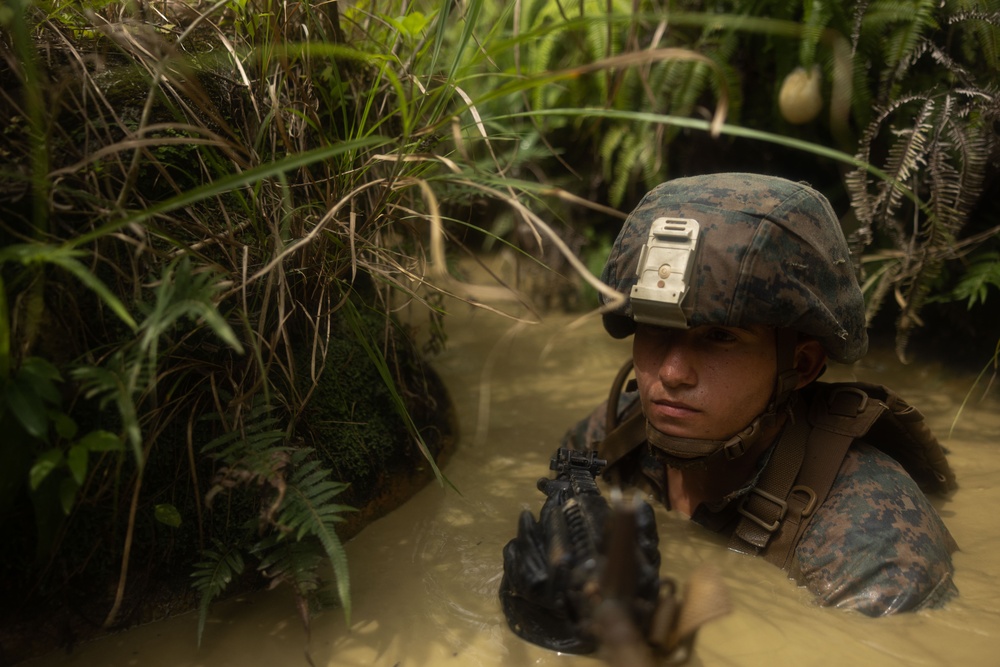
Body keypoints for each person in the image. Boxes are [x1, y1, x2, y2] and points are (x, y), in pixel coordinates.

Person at [557, 172, 959, 617]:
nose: (671, 374)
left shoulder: (874, 542)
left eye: (719, 338)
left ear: (802, 365)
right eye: (655, 329)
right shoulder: (616, 434)